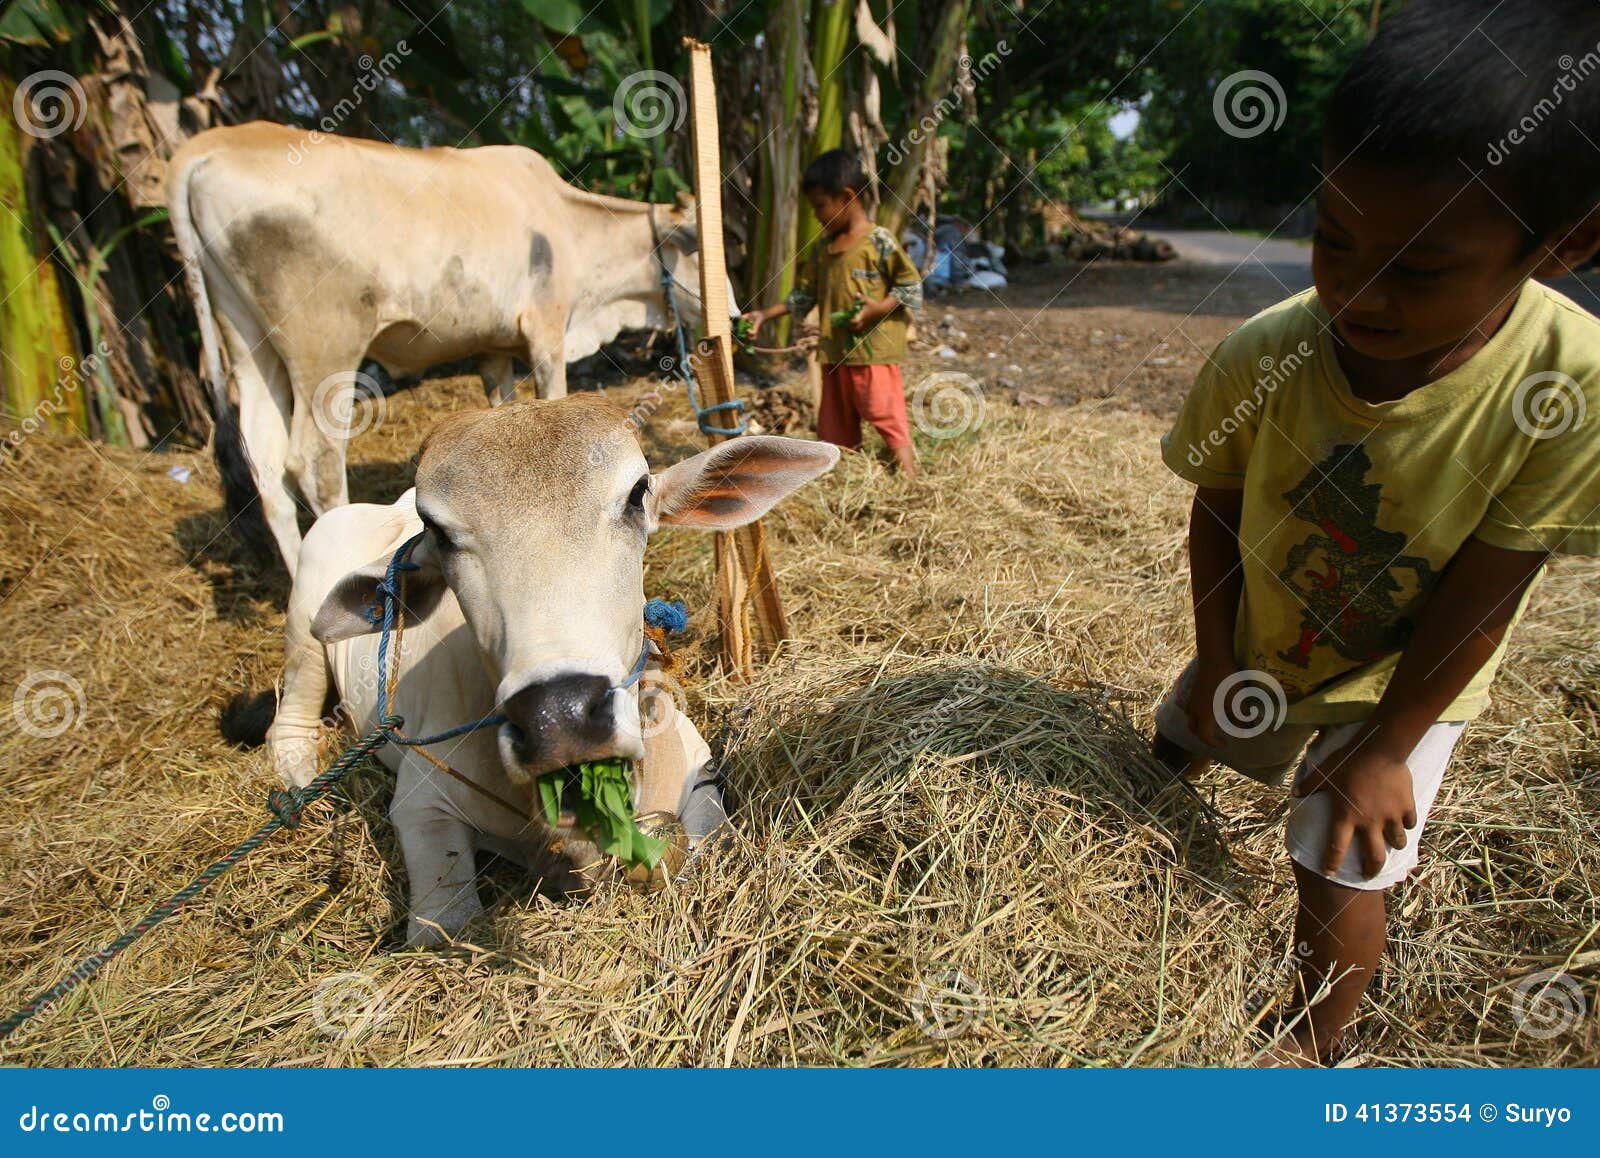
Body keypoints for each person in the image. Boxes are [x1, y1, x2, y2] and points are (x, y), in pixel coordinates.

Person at [1153, 0, 1600, 1064]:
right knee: (1179, 740)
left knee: (1336, 855)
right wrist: (1219, 663)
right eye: (1332, 239)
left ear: (1567, 243)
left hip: (1410, 678)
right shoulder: (1268, 355)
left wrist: (1389, 747)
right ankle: (1132, 841)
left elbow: (1484, 591)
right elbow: (1214, 511)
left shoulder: (1568, 388)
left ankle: (1316, 1049)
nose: (1357, 292)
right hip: (1270, 634)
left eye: (1418, 269)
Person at [743, 150, 923, 474]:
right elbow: (803, 296)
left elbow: (910, 286)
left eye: (820, 206)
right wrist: (764, 315)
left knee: (885, 413)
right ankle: (847, 478)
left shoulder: (878, 242)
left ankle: (910, 476)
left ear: (846, 197)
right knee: (836, 425)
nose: (816, 215)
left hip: (873, 355)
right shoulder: (823, 250)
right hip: (835, 352)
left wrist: (876, 310)